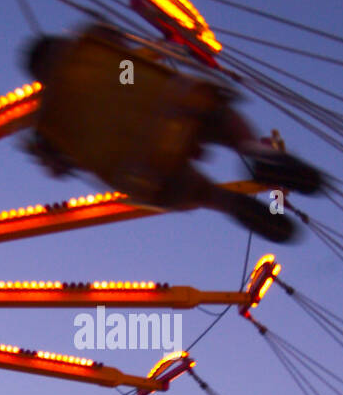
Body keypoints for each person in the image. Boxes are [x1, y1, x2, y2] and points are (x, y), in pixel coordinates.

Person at [25, 25, 322, 243]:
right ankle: (255, 152)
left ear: (38, 77)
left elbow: (60, 167)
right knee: (218, 117)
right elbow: (120, 45)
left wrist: (45, 153)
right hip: (171, 107)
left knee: (195, 191)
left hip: (142, 167)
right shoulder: (90, 44)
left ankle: (229, 203)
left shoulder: (49, 122)